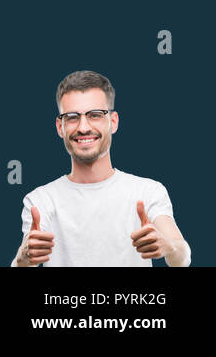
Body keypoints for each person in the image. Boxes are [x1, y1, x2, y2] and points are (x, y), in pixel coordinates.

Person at [13, 70, 190, 267]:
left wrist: (170, 247)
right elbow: (26, 256)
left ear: (113, 122)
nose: (83, 127)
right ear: (60, 127)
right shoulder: (40, 201)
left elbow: (182, 256)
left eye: (95, 115)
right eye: (72, 117)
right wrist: (23, 258)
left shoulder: (148, 191)